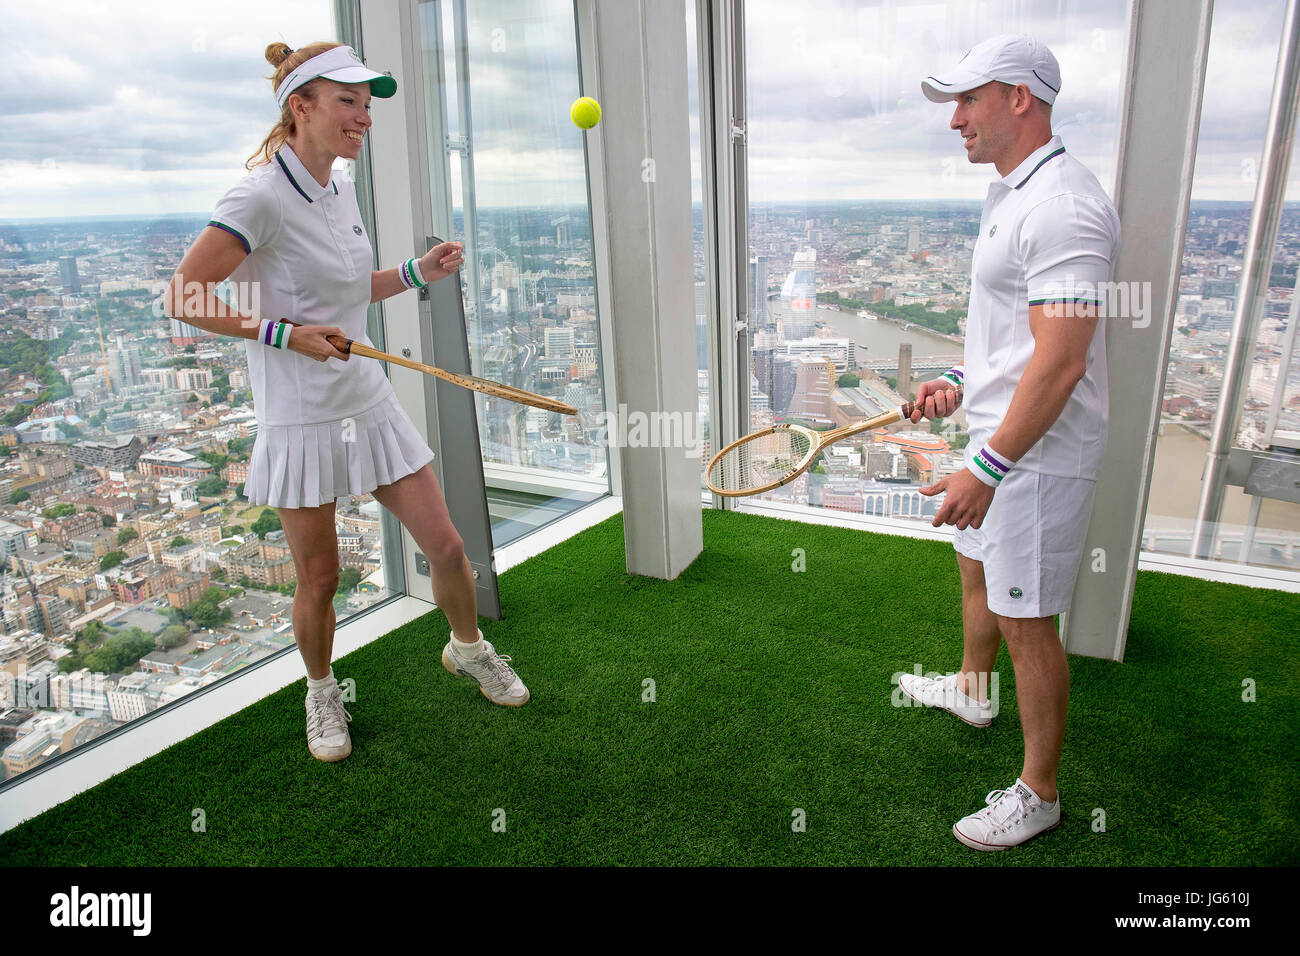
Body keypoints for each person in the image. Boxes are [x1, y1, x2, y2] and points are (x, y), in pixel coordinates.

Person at [165, 41, 530, 764]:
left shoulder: (338, 186)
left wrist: (415, 273)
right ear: (300, 107)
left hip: (366, 402)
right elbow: (183, 297)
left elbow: (346, 287)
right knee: (321, 579)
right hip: (300, 416)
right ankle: (322, 689)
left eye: (368, 104)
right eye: (348, 102)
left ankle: (468, 647)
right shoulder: (257, 196)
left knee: (448, 546)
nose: (364, 116)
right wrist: (284, 333)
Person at [898, 34, 1120, 850]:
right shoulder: (1013, 192)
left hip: (1034, 455)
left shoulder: (1062, 203)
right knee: (979, 576)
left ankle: (1041, 792)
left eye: (968, 100)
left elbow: (1060, 364)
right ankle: (971, 690)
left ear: (1020, 97)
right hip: (999, 437)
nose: (956, 119)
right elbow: (1016, 337)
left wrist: (988, 467)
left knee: (1028, 621)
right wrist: (959, 378)